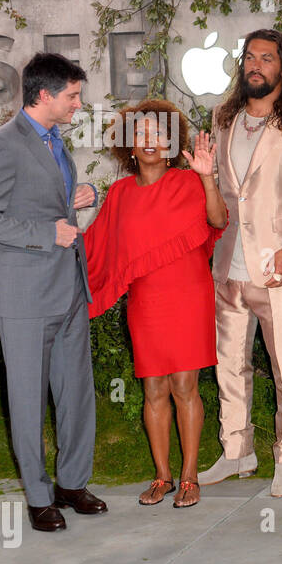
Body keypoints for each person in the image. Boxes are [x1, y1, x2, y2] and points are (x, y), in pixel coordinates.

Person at [0, 52, 106, 532]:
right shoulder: (0, 145)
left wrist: (78, 195)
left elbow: (44, 201)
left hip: (69, 286)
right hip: (24, 294)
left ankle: (72, 484)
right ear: (43, 95)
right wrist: (48, 233)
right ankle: (39, 496)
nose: (77, 103)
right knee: (27, 400)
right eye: (72, 95)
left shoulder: (55, 143)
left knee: (77, 394)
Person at [198, 29, 282, 499]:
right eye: (250, 57)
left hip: (278, 266)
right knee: (229, 365)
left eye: (266, 58)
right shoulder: (223, 117)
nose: (256, 65)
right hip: (229, 263)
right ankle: (237, 452)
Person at [83, 100, 228, 508]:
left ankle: (190, 477)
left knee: (185, 385)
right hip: (146, 301)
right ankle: (161, 476)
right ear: (130, 144)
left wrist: (208, 178)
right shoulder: (119, 194)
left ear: (171, 143)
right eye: (141, 133)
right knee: (153, 389)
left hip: (188, 294)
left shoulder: (188, 182)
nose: (150, 141)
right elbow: (94, 248)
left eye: (159, 133)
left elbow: (218, 221)